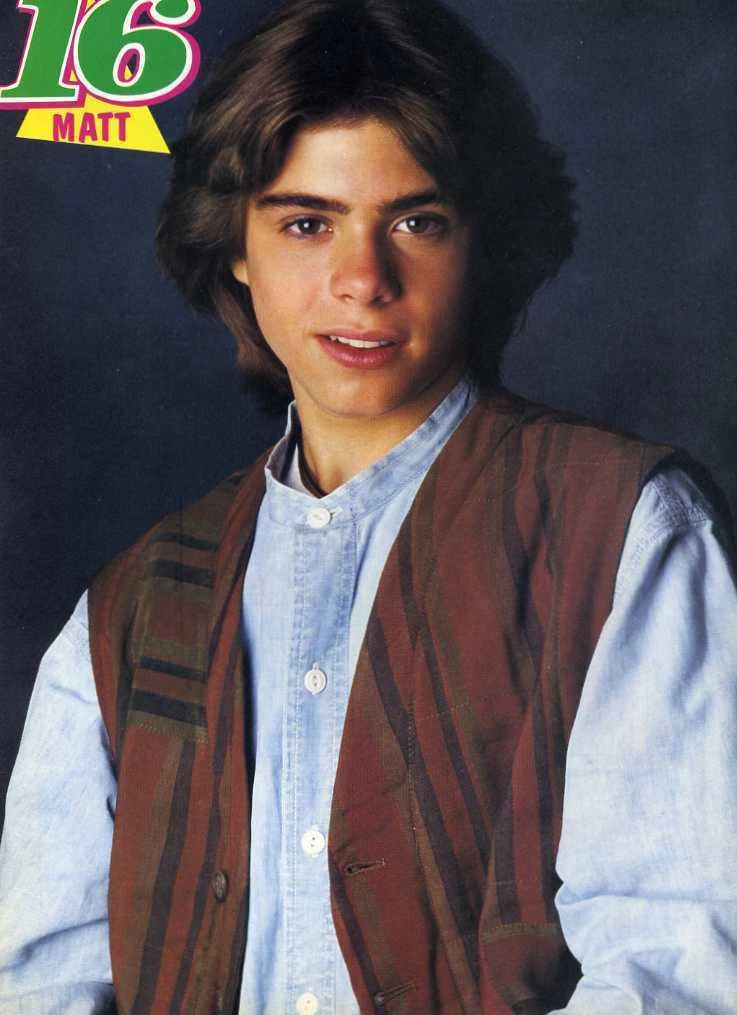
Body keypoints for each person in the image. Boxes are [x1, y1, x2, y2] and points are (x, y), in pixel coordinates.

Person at [1, 0, 736, 1012]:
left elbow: (676, 970)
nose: (361, 280)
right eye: (307, 223)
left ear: (482, 239)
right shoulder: (127, 608)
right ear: (236, 245)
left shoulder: (627, 533)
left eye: (415, 221)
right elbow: (39, 983)